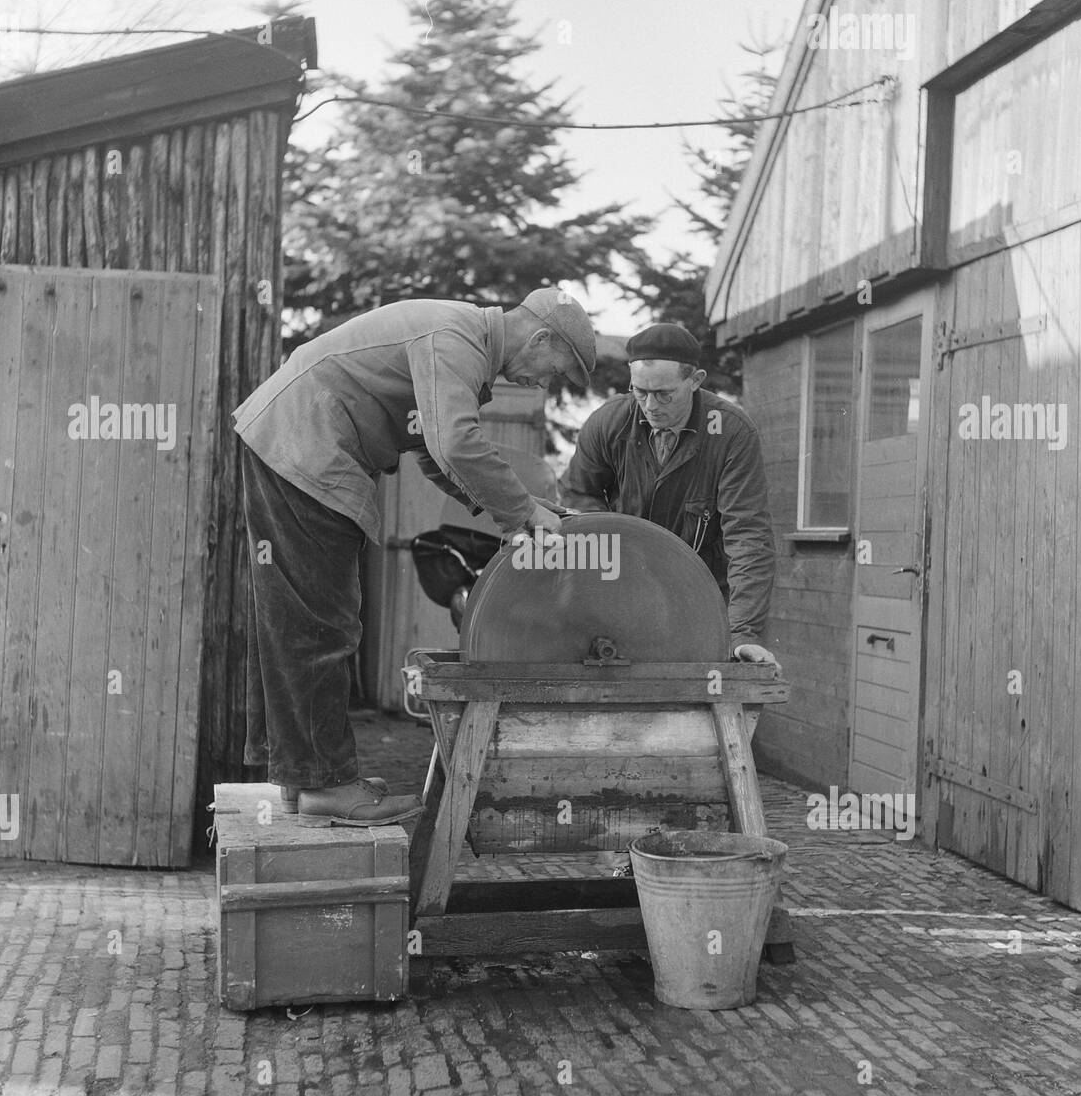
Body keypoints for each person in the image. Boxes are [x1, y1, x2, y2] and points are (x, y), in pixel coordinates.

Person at [233, 288, 596, 821]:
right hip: (304, 446)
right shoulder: (456, 338)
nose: (543, 384)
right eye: (553, 370)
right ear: (540, 337)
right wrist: (521, 515)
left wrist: (526, 507)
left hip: (290, 439)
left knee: (298, 619)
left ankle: (303, 777)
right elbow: (456, 443)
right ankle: (325, 785)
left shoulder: (460, 338)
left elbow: (433, 451)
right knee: (321, 622)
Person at [560, 322, 779, 669]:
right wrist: (615, 544)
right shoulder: (608, 423)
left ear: (695, 380)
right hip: (622, 589)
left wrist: (742, 635)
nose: (650, 405)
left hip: (701, 598)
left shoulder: (731, 433)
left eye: (664, 394)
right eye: (640, 392)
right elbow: (575, 495)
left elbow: (748, 537)